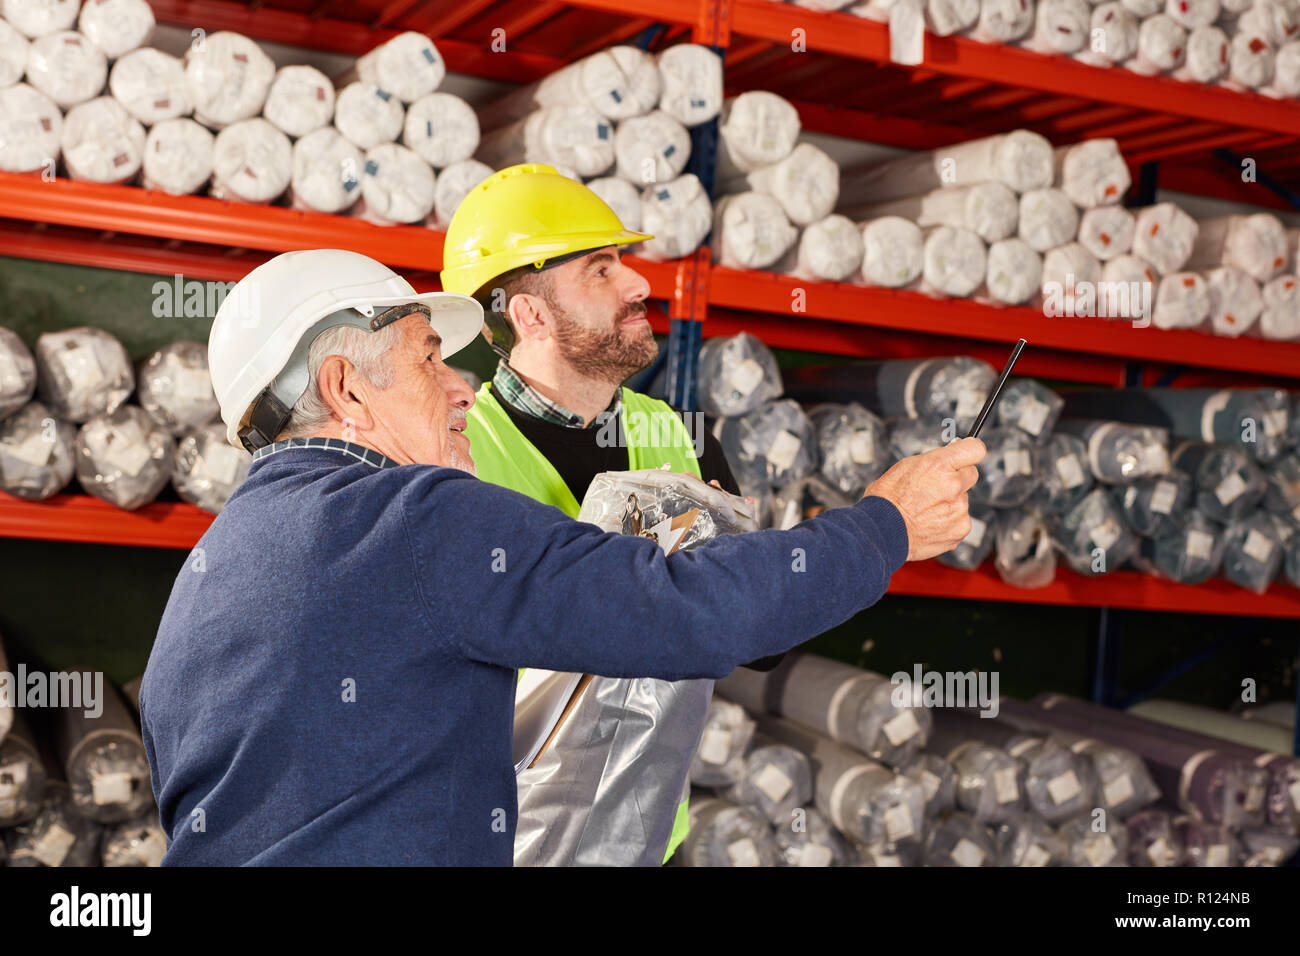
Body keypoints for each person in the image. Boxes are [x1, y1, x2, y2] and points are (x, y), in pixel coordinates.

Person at [139, 248, 985, 866]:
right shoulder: (412, 517)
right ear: (344, 387)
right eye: (429, 360)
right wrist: (886, 525)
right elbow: (688, 610)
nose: (463, 386)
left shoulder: (218, 561)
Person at [440, 163, 771, 864]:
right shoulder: (456, 452)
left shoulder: (682, 435)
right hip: (505, 840)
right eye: (600, 270)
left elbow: (760, 639)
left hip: (648, 836)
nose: (639, 284)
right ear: (528, 315)